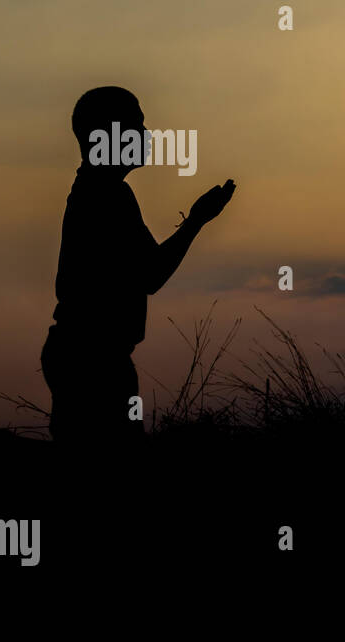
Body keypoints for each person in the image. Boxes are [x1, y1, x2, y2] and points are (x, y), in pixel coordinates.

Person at [41, 86, 234, 448]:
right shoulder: (105, 196)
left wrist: (197, 219)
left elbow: (149, 272)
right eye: (137, 125)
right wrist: (196, 221)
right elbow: (152, 275)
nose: (146, 135)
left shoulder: (106, 192)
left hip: (86, 354)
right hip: (92, 361)